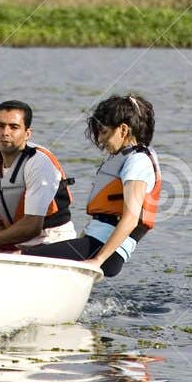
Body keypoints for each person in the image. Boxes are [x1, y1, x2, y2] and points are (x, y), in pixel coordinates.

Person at [23, 92, 161, 278]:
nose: (101, 140)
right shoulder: (128, 158)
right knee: (31, 255)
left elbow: (130, 219)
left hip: (102, 250)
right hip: (94, 244)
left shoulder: (137, 162)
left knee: (22, 259)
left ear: (123, 130)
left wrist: (98, 260)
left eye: (104, 132)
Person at [0, 100, 76, 253]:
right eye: (0, 126)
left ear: (27, 133)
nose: (5, 132)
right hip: (20, 244)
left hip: (51, 243)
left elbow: (32, 227)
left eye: (14, 127)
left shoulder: (39, 163)